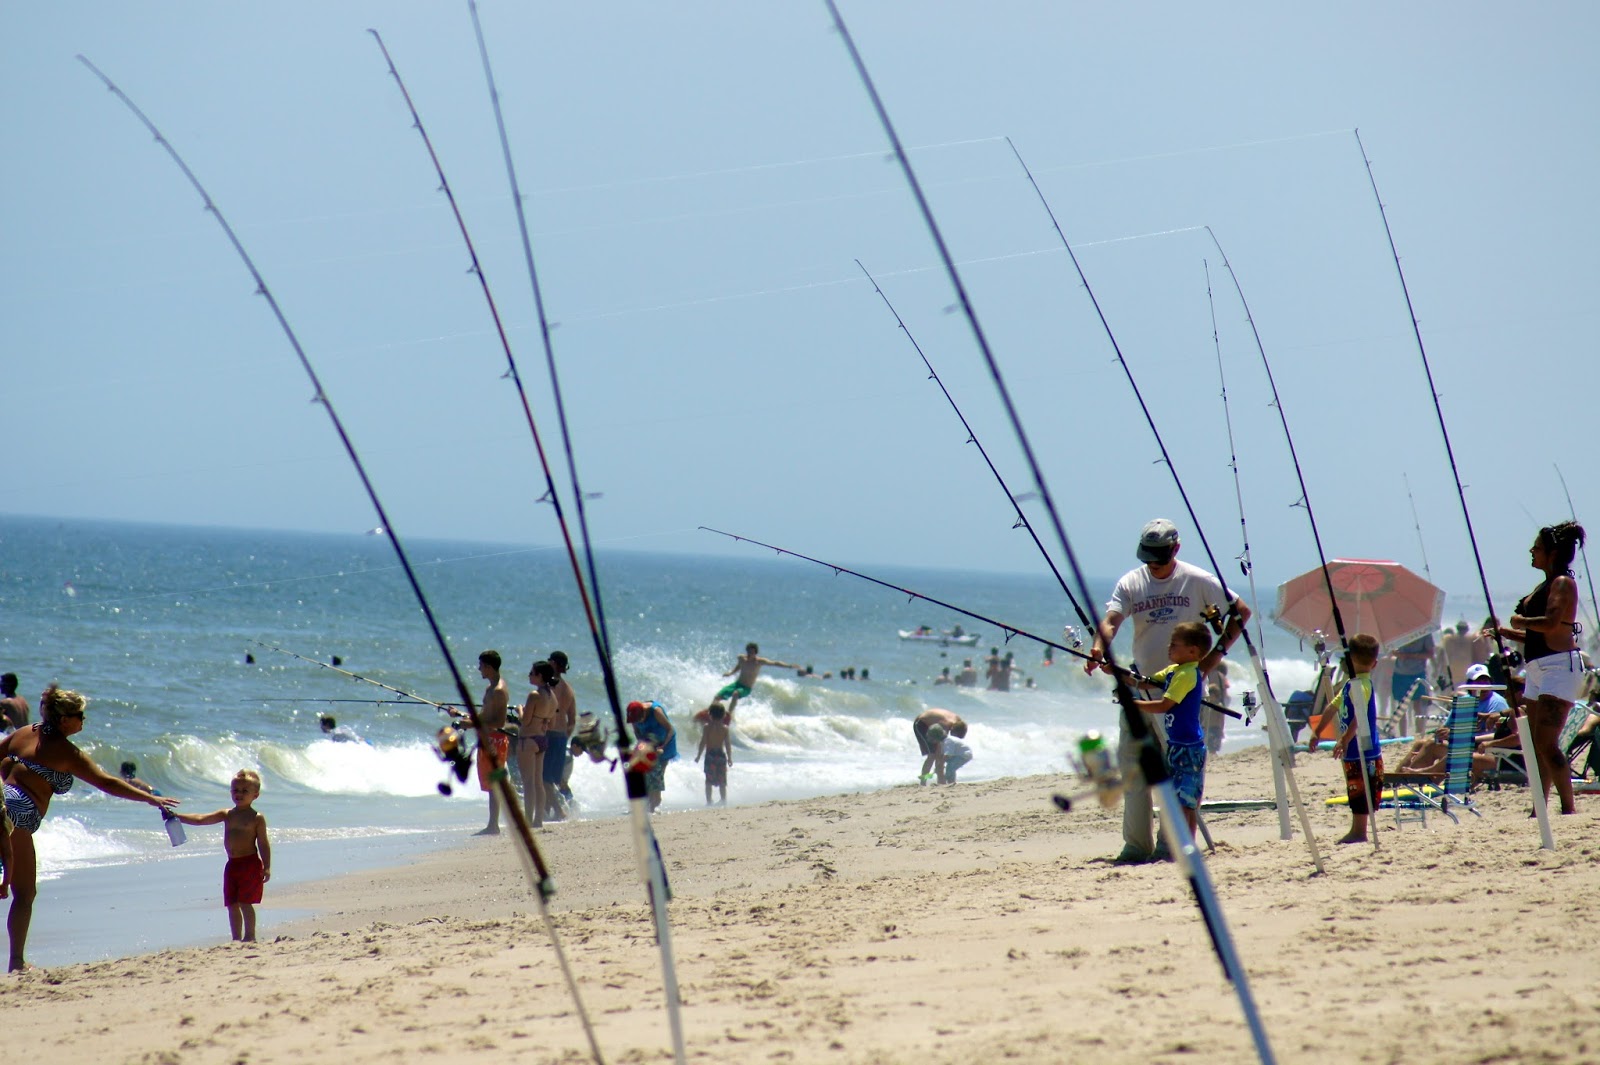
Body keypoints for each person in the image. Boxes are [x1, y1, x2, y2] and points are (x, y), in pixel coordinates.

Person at [1086, 518, 1249, 863]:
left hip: (1181, 694)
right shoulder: (1131, 581)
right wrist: (1099, 647)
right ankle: (1135, 846)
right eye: (1148, 557)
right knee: (1132, 768)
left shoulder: (1199, 580)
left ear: (1176, 549)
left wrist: (1213, 658)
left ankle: (1170, 845)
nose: (1153, 564)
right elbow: (1112, 620)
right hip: (1140, 684)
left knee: (1176, 772)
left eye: (1160, 557)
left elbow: (1240, 613)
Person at [0, 685, 179, 970]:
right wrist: (150, 798)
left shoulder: (23, 733)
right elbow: (108, 783)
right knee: (24, 894)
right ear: (64, 720)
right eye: (80, 716)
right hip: (17, 819)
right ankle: (17, 962)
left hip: (3, 808)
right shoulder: (68, 753)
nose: (84, 720)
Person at [1486, 521, 1586, 815]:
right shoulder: (1544, 585)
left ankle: (1568, 808)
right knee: (1534, 743)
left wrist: (1520, 622)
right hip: (1536, 668)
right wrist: (1506, 633)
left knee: (1547, 743)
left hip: (1560, 667)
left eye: (1538, 547)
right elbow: (1539, 635)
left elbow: (1552, 623)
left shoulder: (1562, 583)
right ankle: (1539, 808)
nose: (1532, 551)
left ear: (1552, 553)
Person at [1131, 622, 1226, 835]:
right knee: (1181, 802)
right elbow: (1145, 683)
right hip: (1176, 745)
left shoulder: (1187, 674)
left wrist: (1134, 704)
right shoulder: (1174, 671)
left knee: (1185, 804)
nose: (1169, 647)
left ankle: (1187, 846)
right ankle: (1187, 846)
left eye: (1174, 644)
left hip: (1188, 749)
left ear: (1192, 651)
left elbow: (1164, 705)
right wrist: (1113, 671)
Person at [172, 769, 272, 942]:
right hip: (232, 865)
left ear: (255, 795)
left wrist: (267, 866)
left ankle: (250, 936)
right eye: (235, 790)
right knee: (232, 903)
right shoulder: (227, 814)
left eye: (245, 791)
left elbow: (263, 843)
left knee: (245, 902)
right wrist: (177, 816)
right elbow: (201, 819)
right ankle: (236, 938)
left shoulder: (256, 817)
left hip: (249, 863)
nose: (239, 794)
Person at [1327, 633, 1384, 844]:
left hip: (1363, 748)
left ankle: (1359, 832)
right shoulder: (1352, 684)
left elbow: (1359, 716)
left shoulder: (1361, 685)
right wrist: (1317, 731)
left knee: (1360, 791)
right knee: (1356, 788)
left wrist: (1344, 739)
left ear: (1349, 660)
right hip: (1356, 749)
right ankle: (1357, 830)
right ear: (1375, 663)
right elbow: (1333, 706)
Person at [451, 650, 509, 835]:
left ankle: (493, 826)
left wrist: (469, 724)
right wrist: (462, 717)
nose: (479, 669)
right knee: (490, 784)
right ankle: (492, 824)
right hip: (487, 738)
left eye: (481, 666)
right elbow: (484, 716)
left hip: (495, 740)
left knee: (494, 785)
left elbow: (499, 722)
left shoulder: (498, 690)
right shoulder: (490, 689)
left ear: (489, 667)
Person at [517, 660, 558, 828]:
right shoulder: (552, 696)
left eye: (532, 673)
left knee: (528, 783)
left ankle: (528, 820)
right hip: (541, 740)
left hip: (528, 740)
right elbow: (552, 724)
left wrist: (520, 710)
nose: (529, 675)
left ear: (539, 676)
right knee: (538, 782)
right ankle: (538, 819)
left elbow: (525, 721)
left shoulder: (534, 695)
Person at [716, 643, 799, 717]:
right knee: (718, 696)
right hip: (737, 684)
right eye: (748, 651)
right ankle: (711, 712)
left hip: (746, 688)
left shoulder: (759, 662)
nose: (750, 654)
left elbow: (775, 663)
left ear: (755, 653)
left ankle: (729, 715)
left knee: (735, 694)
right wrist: (730, 673)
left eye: (752, 652)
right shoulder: (742, 658)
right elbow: (739, 666)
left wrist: (789, 666)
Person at [627, 700, 677, 812]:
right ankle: (649, 804)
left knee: (658, 775)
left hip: (666, 743)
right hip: (649, 744)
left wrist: (662, 746)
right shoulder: (633, 714)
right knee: (646, 774)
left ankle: (654, 804)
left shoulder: (655, 711)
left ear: (643, 713)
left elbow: (670, 729)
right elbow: (637, 732)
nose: (636, 722)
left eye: (638, 719)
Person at [546, 651, 578, 819]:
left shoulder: (550, 686)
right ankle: (547, 811)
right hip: (561, 736)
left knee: (544, 778)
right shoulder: (569, 689)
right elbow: (572, 719)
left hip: (549, 735)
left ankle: (559, 811)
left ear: (555, 663)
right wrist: (566, 737)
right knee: (552, 778)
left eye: (549, 660)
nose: (547, 662)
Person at [913, 707, 967, 785]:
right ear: (952, 729)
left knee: (938, 755)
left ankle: (940, 780)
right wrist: (940, 763)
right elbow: (940, 748)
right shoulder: (945, 725)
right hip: (921, 724)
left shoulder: (959, 721)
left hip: (932, 724)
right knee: (932, 755)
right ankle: (923, 782)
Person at [695, 702, 732, 805]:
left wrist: (698, 755)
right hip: (721, 755)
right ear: (723, 715)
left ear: (710, 714)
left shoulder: (707, 727)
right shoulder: (725, 728)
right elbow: (727, 744)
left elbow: (703, 742)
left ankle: (709, 801)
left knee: (708, 780)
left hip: (710, 755)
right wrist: (729, 758)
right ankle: (723, 800)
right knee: (722, 780)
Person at [1203, 664, 1230, 756]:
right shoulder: (1221, 675)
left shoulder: (1212, 674)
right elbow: (1225, 690)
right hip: (1220, 700)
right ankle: (1212, 752)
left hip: (1214, 701)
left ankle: (1212, 752)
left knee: (1212, 724)